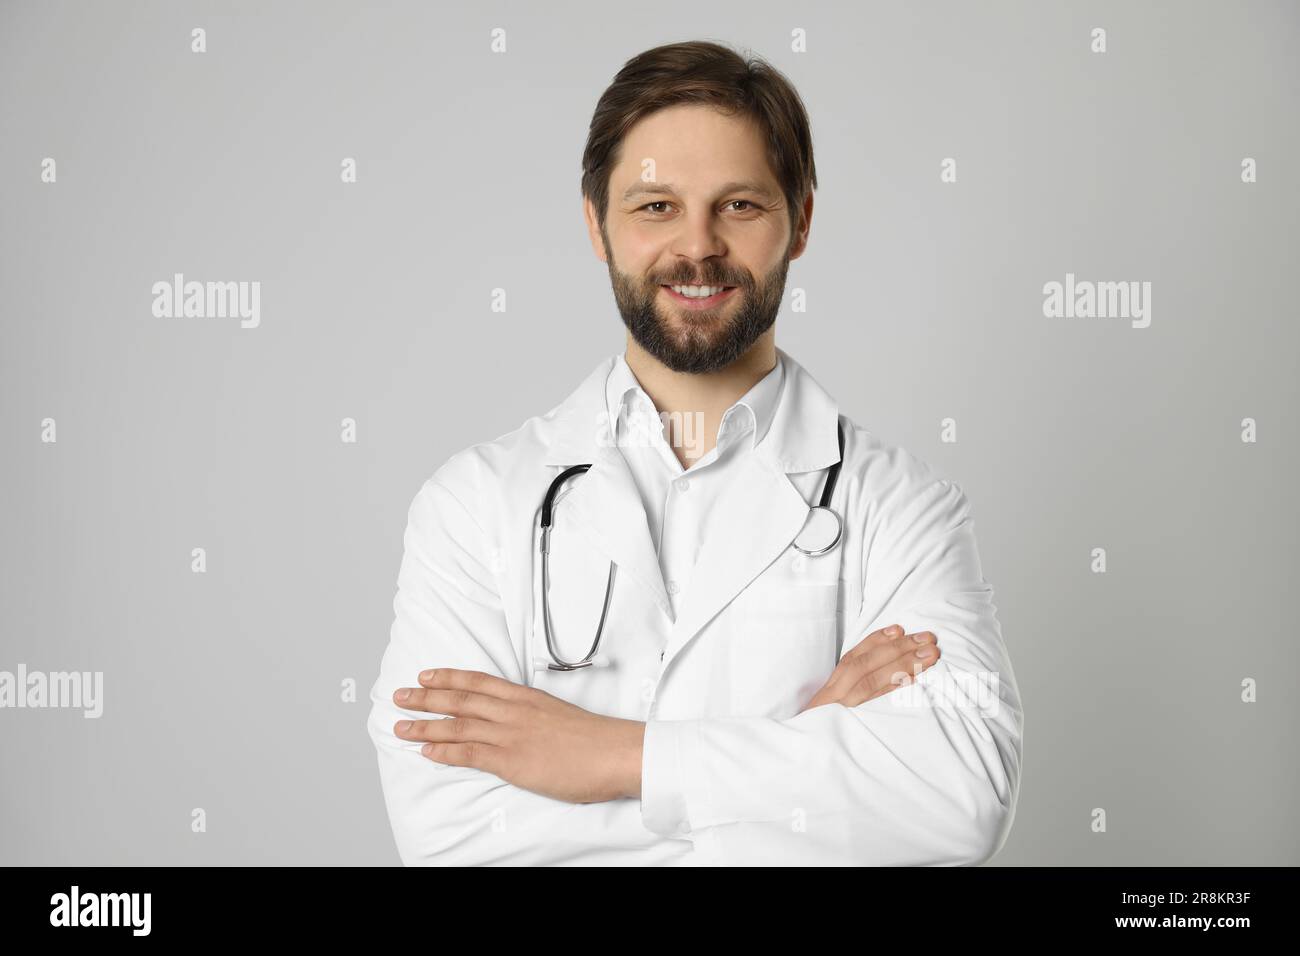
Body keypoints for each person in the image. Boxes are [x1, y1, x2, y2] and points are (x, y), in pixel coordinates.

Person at [366, 40, 1023, 866]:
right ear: (596, 224)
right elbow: (451, 837)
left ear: (802, 220)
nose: (699, 247)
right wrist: (805, 750)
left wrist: (609, 757)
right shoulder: (473, 506)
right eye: (656, 207)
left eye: (740, 205)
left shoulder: (904, 508)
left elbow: (957, 804)